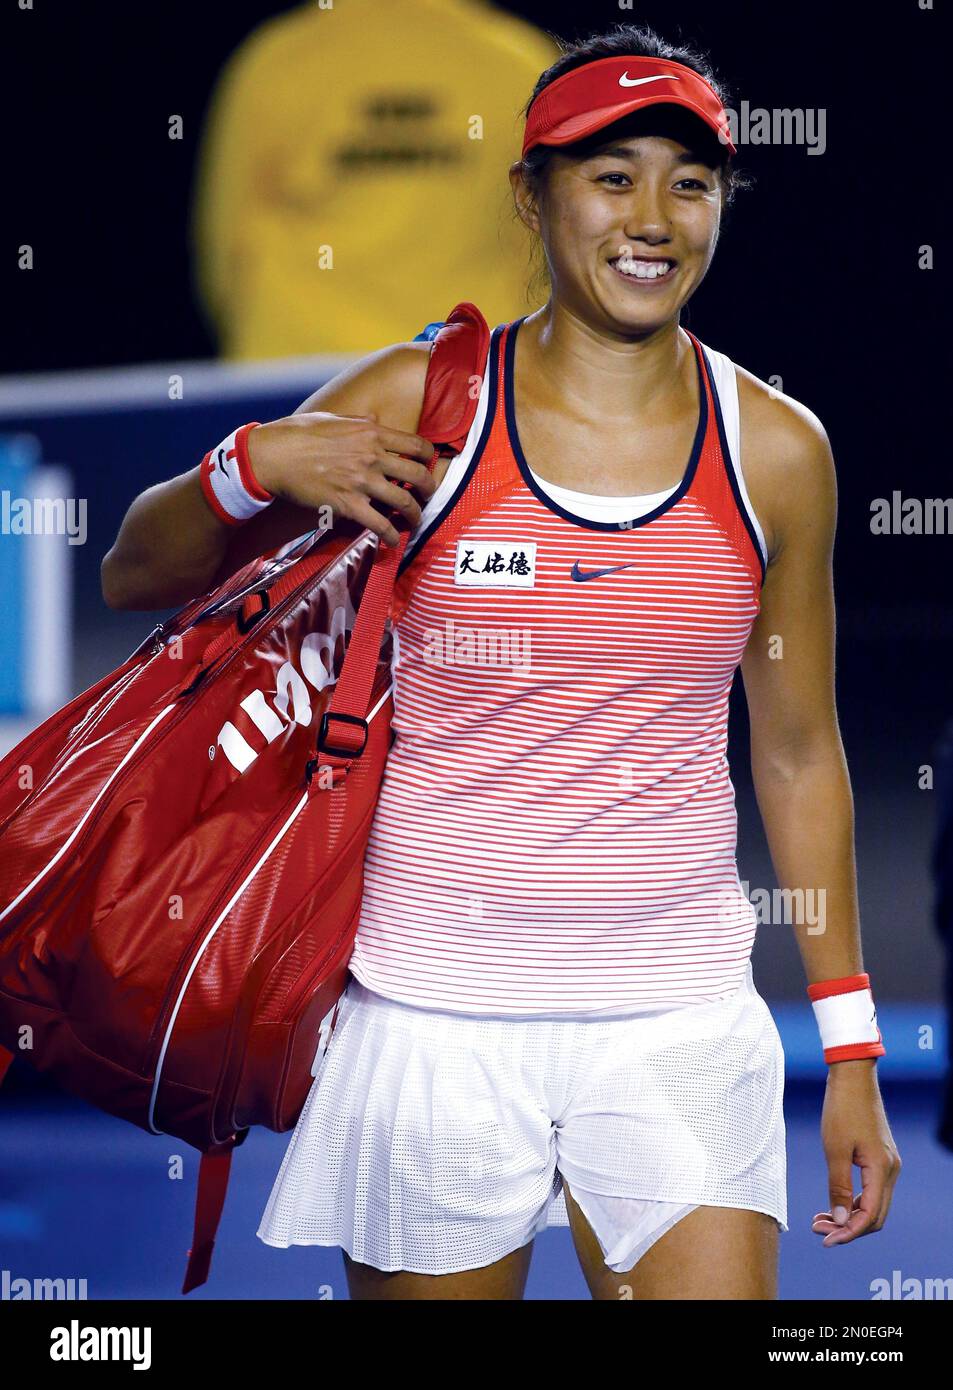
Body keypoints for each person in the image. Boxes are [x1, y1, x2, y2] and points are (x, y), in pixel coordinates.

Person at [102, 23, 901, 1300]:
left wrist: (848, 1046)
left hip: (677, 1028)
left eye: (687, 182)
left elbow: (798, 749)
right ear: (528, 198)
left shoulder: (779, 452)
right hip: (428, 1029)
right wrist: (253, 463)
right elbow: (134, 574)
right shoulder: (416, 402)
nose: (652, 217)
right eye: (609, 174)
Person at [191, 0, 558, 359]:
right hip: (464, 378)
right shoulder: (517, 63)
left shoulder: (278, 59)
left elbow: (225, 246)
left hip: (296, 381)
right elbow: (555, 239)